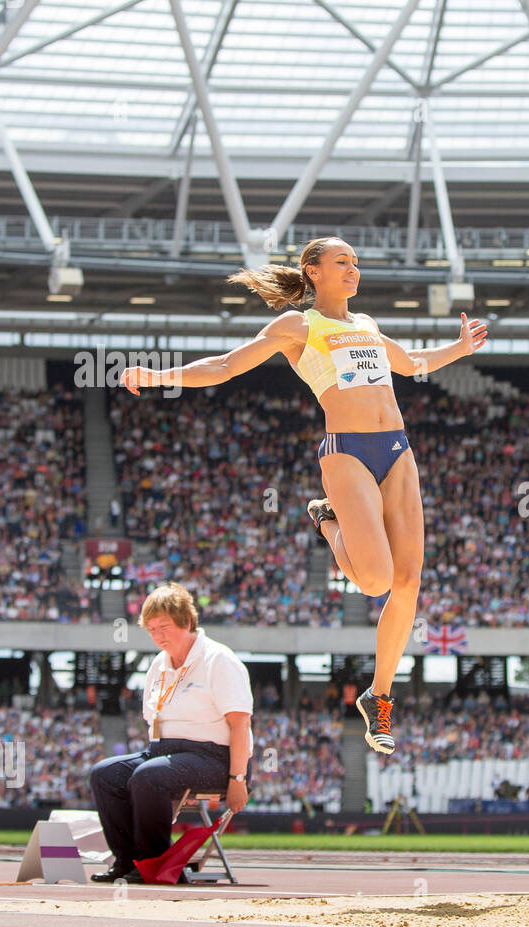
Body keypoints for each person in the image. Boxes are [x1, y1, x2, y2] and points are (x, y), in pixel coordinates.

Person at [123, 237, 486, 755]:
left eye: (357, 261)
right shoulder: (299, 327)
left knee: (407, 584)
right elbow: (225, 365)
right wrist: (160, 375)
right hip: (348, 453)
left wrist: (460, 348)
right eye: (343, 262)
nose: (353, 269)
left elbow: (412, 364)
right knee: (376, 580)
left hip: (398, 450)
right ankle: (329, 520)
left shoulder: (368, 326)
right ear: (312, 271)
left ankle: (379, 697)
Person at [88, 583, 253, 883]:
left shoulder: (218, 659)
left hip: (216, 758)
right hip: (163, 752)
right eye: (151, 629)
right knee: (104, 774)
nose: (157, 635)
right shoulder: (158, 665)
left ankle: (154, 865)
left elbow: (240, 724)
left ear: (187, 622)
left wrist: (238, 779)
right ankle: (127, 861)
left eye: (164, 626)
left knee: (149, 776)